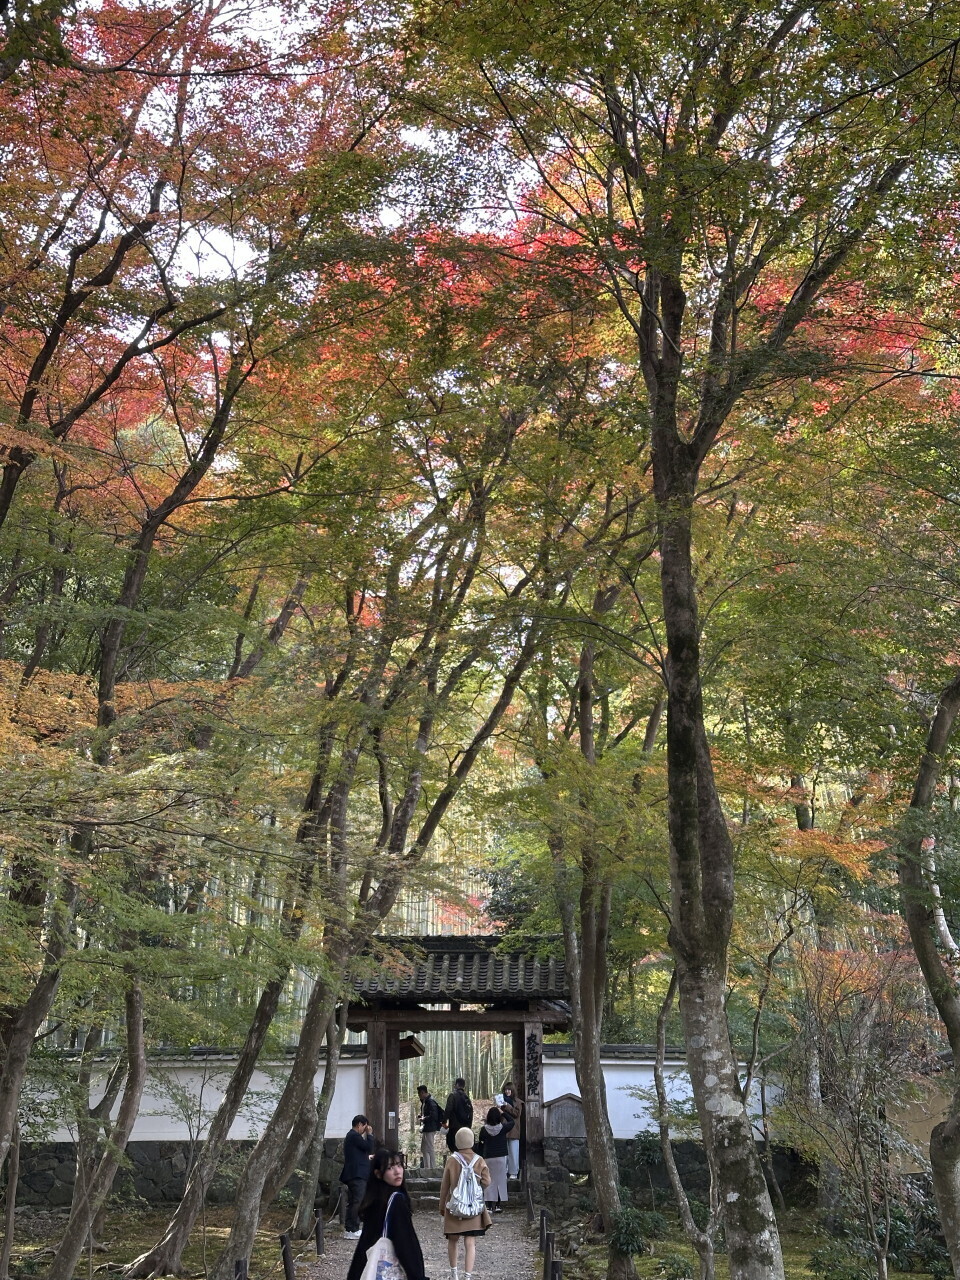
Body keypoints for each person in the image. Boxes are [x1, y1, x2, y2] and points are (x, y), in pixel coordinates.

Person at [346, 1149, 427, 1280]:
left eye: (399, 1165)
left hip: (366, 1268)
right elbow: (405, 1245)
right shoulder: (396, 1201)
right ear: (378, 1174)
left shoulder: (374, 1199)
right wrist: (417, 1276)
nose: (397, 1171)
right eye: (390, 1168)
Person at [440, 1126, 491, 1280]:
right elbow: (487, 1181)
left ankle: (454, 1274)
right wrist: (475, 1186)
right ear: (472, 1141)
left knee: (453, 1240)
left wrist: (442, 1206)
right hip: (472, 1206)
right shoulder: (479, 1160)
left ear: (457, 1142)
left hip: (454, 1205)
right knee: (470, 1242)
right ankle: (467, 1276)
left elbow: (445, 1185)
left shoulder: (452, 1160)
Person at [340, 1114, 376, 1240]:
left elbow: (358, 1154)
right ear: (360, 1124)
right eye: (365, 1127)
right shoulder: (354, 1136)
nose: (365, 1130)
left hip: (355, 1173)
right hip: (356, 1175)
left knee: (354, 1201)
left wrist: (366, 1158)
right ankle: (352, 1229)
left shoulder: (352, 1137)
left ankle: (351, 1228)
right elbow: (369, 1147)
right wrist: (370, 1135)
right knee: (357, 1201)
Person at [475, 1106, 512, 1213]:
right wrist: (503, 1112)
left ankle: (489, 1206)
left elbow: (481, 1142)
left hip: (488, 1157)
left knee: (488, 1180)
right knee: (500, 1181)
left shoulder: (484, 1129)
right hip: (501, 1157)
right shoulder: (503, 1128)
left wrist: (481, 1155)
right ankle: (498, 1205)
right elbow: (512, 1122)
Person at [417, 1084, 444, 1170]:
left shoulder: (431, 1102)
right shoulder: (425, 1102)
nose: (419, 1096)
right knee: (424, 1149)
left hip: (430, 1128)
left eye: (419, 1094)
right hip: (426, 1128)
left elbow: (434, 1116)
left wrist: (424, 1118)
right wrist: (422, 1117)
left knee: (430, 1148)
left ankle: (433, 1168)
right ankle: (427, 1168)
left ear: (423, 1093)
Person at [500, 1082, 523, 1178]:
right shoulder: (501, 1101)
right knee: (503, 1153)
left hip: (513, 1130)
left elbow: (517, 1114)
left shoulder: (518, 1102)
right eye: (505, 1089)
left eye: (509, 1089)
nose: (507, 1091)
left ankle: (513, 1172)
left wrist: (507, 1105)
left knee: (513, 1152)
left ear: (512, 1090)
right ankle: (504, 1171)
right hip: (503, 1129)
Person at [443, 1079, 473, 1153]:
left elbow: (448, 1109)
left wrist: (444, 1121)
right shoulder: (466, 1097)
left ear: (456, 1085)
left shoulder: (453, 1095)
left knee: (453, 1146)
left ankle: (456, 1160)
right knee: (463, 1148)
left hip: (454, 1126)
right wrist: (469, 1126)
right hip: (465, 1127)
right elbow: (471, 1112)